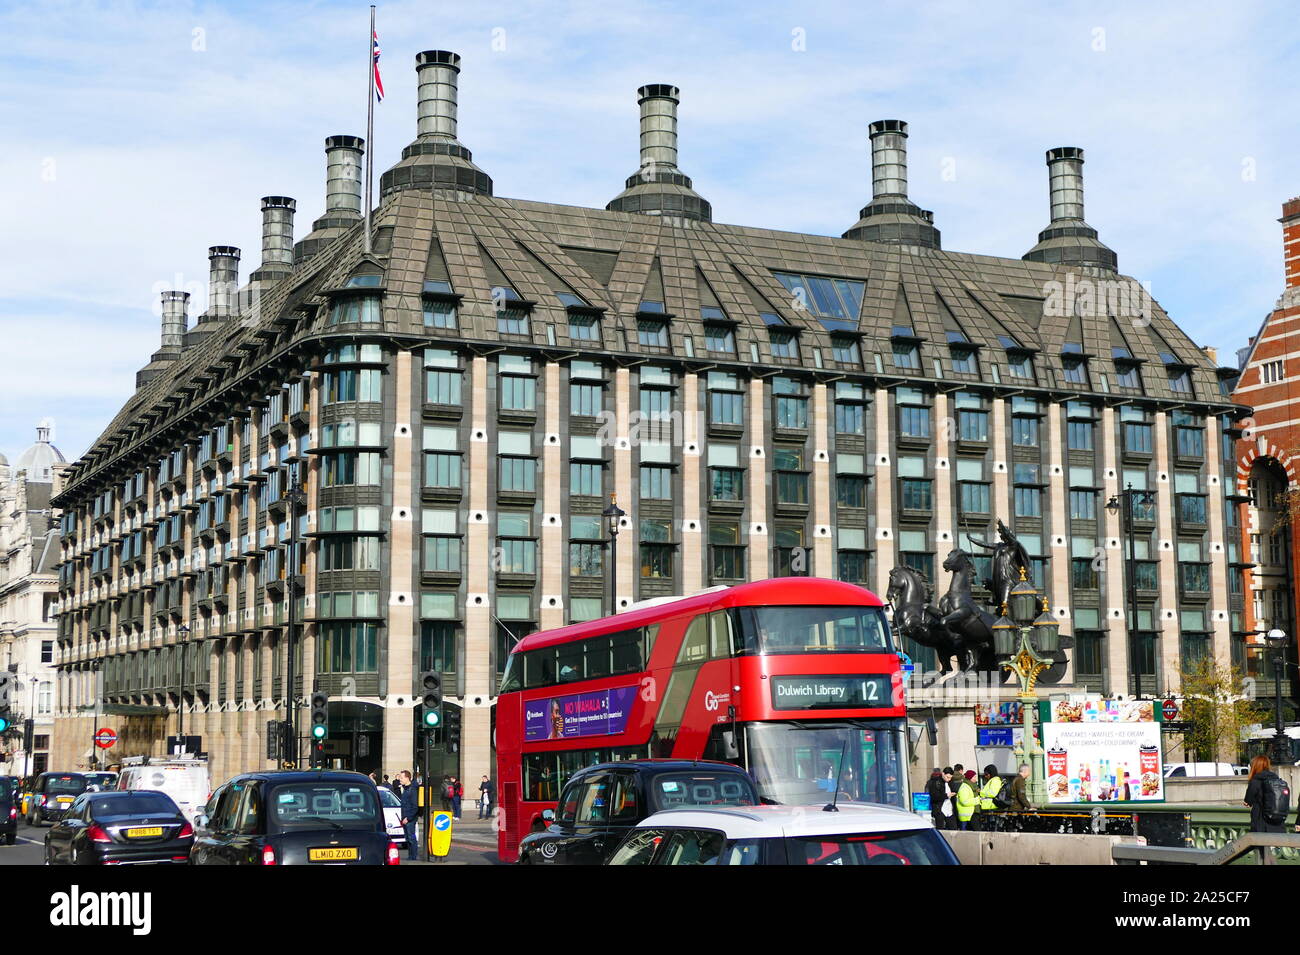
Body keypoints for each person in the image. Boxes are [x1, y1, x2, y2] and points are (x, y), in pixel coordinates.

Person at [1244, 754, 1285, 864]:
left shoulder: (1255, 781)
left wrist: (1248, 802)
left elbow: (1248, 800)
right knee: (1266, 852)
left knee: (1262, 851)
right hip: (1275, 821)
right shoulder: (1276, 779)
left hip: (1260, 821)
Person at [398, 770, 421, 861]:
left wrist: (408, 818)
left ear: (407, 778)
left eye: (402, 777)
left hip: (409, 819)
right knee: (408, 839)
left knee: (411, 838)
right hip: (405, 818)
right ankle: (410, 856)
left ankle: (413, 858)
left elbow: (415, 807)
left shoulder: (412, 789)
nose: (400, 779)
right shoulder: (406, 788)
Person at [976, 765, 1004, 831]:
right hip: (987, 807)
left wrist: (981, 792)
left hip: (991, 807)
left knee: (990, 828)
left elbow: (993, 793)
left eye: (986, 774)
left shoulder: (995, 781)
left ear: (991, 773)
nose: (985, 776)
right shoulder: (992, 780)